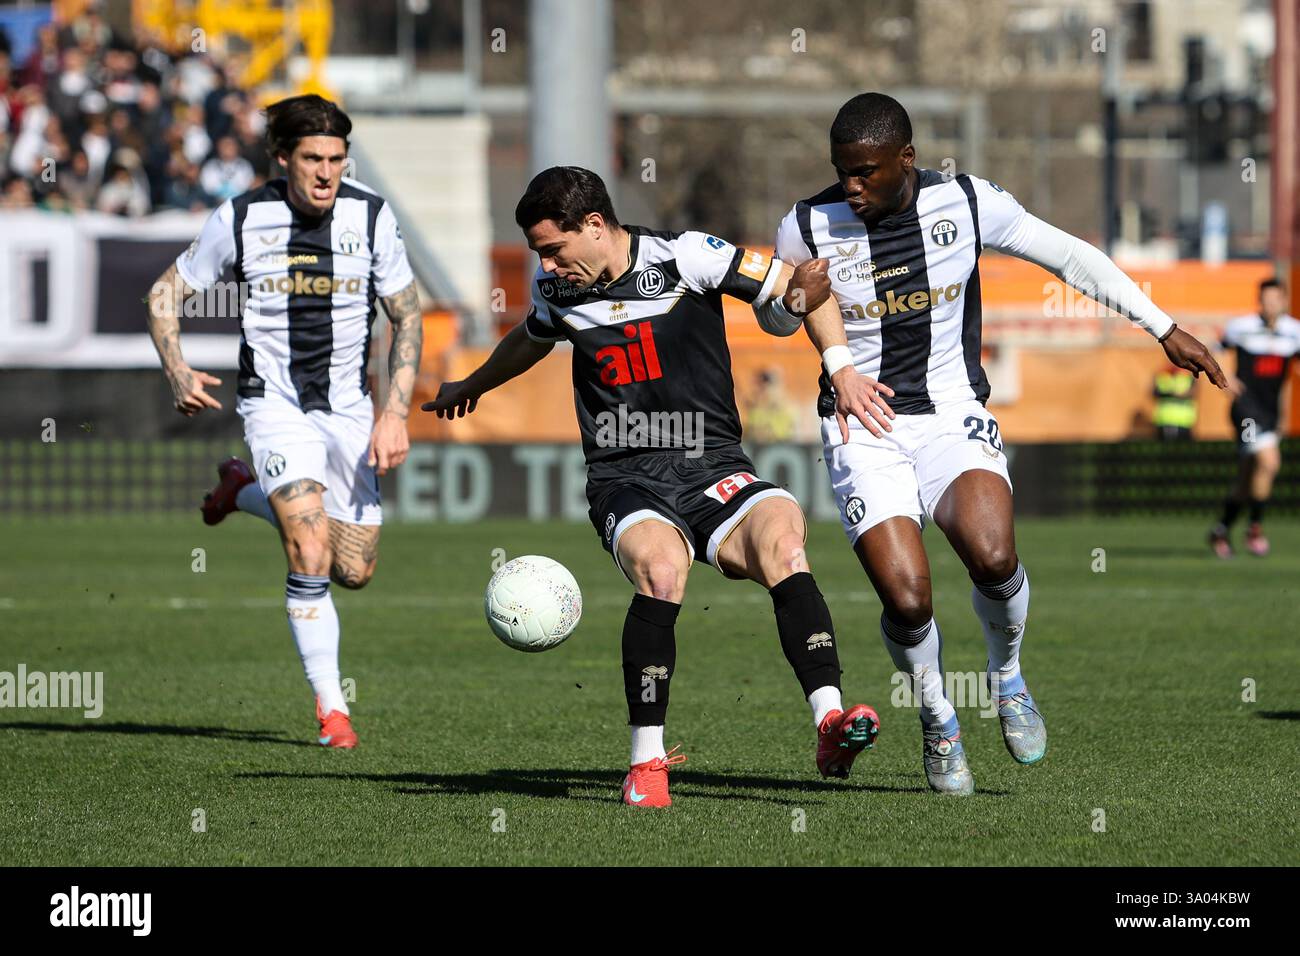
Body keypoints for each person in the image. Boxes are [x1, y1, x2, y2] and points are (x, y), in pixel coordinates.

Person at [774, 92, 1225, 795]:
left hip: (953, 411)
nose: (851, 187)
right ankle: (938, 716)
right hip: (864, 427)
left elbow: (1071, 258)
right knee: (909, 597)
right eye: (842, 171)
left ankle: (1007, 677)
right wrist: (790, 300)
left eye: (865, 171)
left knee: (993, 554)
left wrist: (1162, 326)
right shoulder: (806, 224)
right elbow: (779, 321)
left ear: (907, 160)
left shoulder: (966, 201)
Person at [424, 166, 883, 808]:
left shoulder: (688, 256)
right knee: (663, 570)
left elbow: (788, 305)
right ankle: (646, 763)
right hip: (625, 474)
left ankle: (830, 723)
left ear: (593, 225)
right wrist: (472, 385)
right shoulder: (559, 290)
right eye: (538, 254)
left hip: (714, 463)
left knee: (783, 538)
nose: (548, 265)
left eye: (552, 248)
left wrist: (830, 350)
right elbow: (531, 338)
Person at [145, 94, 423, 748]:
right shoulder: (240, 218)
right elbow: (164, 294)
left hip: (352, 410)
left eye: (336, 159)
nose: (326, 172)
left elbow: (407, 314)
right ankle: (333, 711)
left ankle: (239, 490)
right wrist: (178, 370)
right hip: (275, 405)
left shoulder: (373, 217)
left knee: (354, 569)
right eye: (312, 159)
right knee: (310, 549)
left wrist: (394, 413)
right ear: (282, 159)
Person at [1209, 278, 1300, 557]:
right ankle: (1255, 528)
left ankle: (1221, 530)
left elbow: (1287, 378)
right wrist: (1226, 379)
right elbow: (1214, 349)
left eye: (1274, 299)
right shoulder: (1241, 327)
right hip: (1245, 409)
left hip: (1270, 410)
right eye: (1264, 299)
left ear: (1284, 301)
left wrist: (1284, 413)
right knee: (1269, 461)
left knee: (1248, 478)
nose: (1269, 304)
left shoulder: (1294, 332)